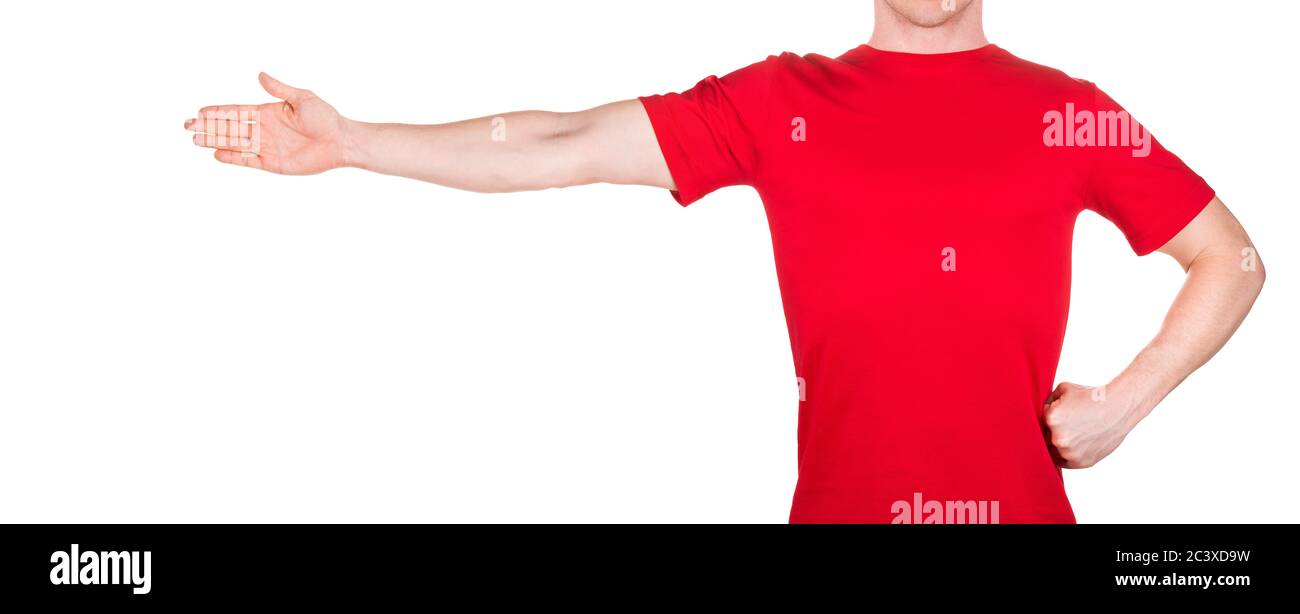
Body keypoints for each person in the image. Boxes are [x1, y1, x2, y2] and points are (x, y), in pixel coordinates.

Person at [185, 0, 1265, 523]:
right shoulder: (784, 103)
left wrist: (1125, 403)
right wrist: (358, 141)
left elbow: (1228, 257)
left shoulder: (1063, 113)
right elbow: (565, 143)